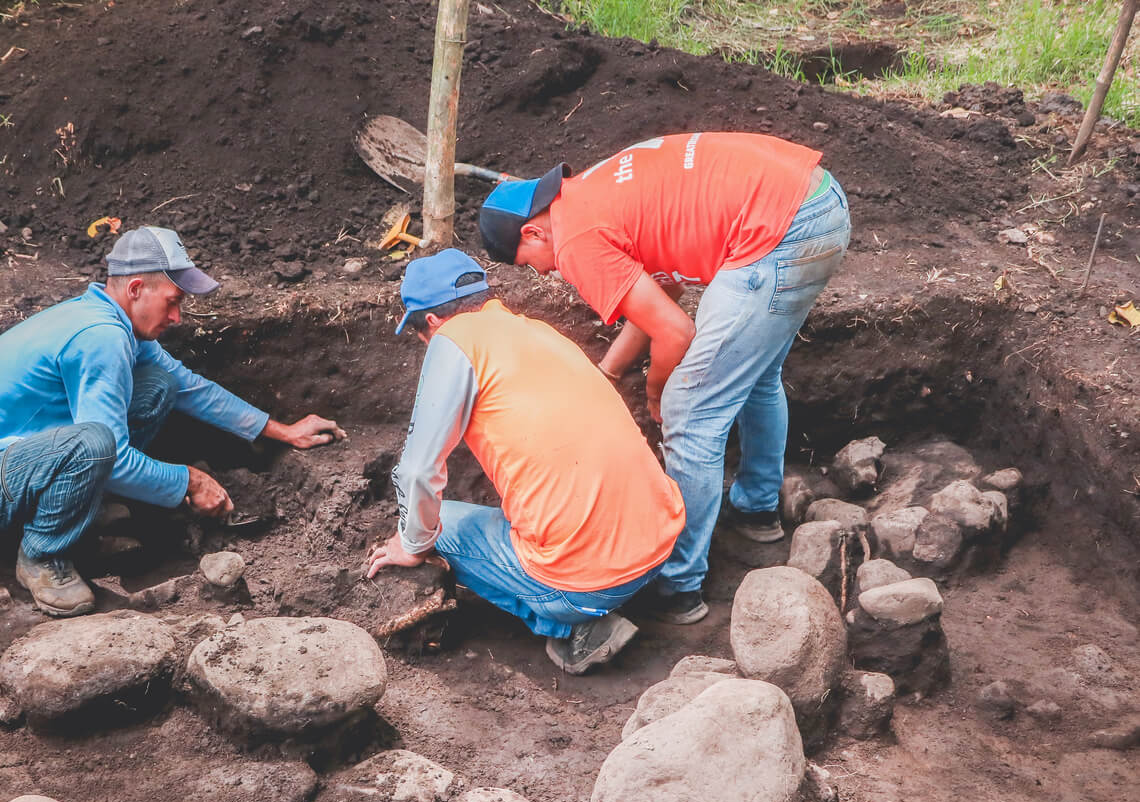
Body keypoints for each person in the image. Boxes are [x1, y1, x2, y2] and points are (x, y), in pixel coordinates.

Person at [479, 131, 851, 624]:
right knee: (756, 375)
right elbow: (663, 294)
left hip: (777, 231)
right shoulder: (590, 193)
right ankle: (757, 510)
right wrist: (610, 370)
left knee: (690, 412)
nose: (544, 275)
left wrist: (657, 391)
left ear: (532, 234)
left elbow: (676, 331)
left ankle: (678, 584)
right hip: (815, 197)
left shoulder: (575, 242)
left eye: (532, 266)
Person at [0, 225, 343, 617]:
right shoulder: (101, 337)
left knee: (158, 386)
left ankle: (82, 509)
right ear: (138, 288)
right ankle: (42, 554)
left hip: (21, 460)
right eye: (174, 301)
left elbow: (188, 385)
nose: (178, 317)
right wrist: (190, 482)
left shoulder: (113, 319)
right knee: (96, 443)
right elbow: (114, 454)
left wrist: (282, 430)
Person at [365, 249, 685, 675]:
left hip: (588, 583)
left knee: (434, 526)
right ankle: (600, 599)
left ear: (434, 322)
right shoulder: (538, 331)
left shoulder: (452, 340)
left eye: (421, 332)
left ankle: (576, 627)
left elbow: (418, 471)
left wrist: (411, 544)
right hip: (660, 545)